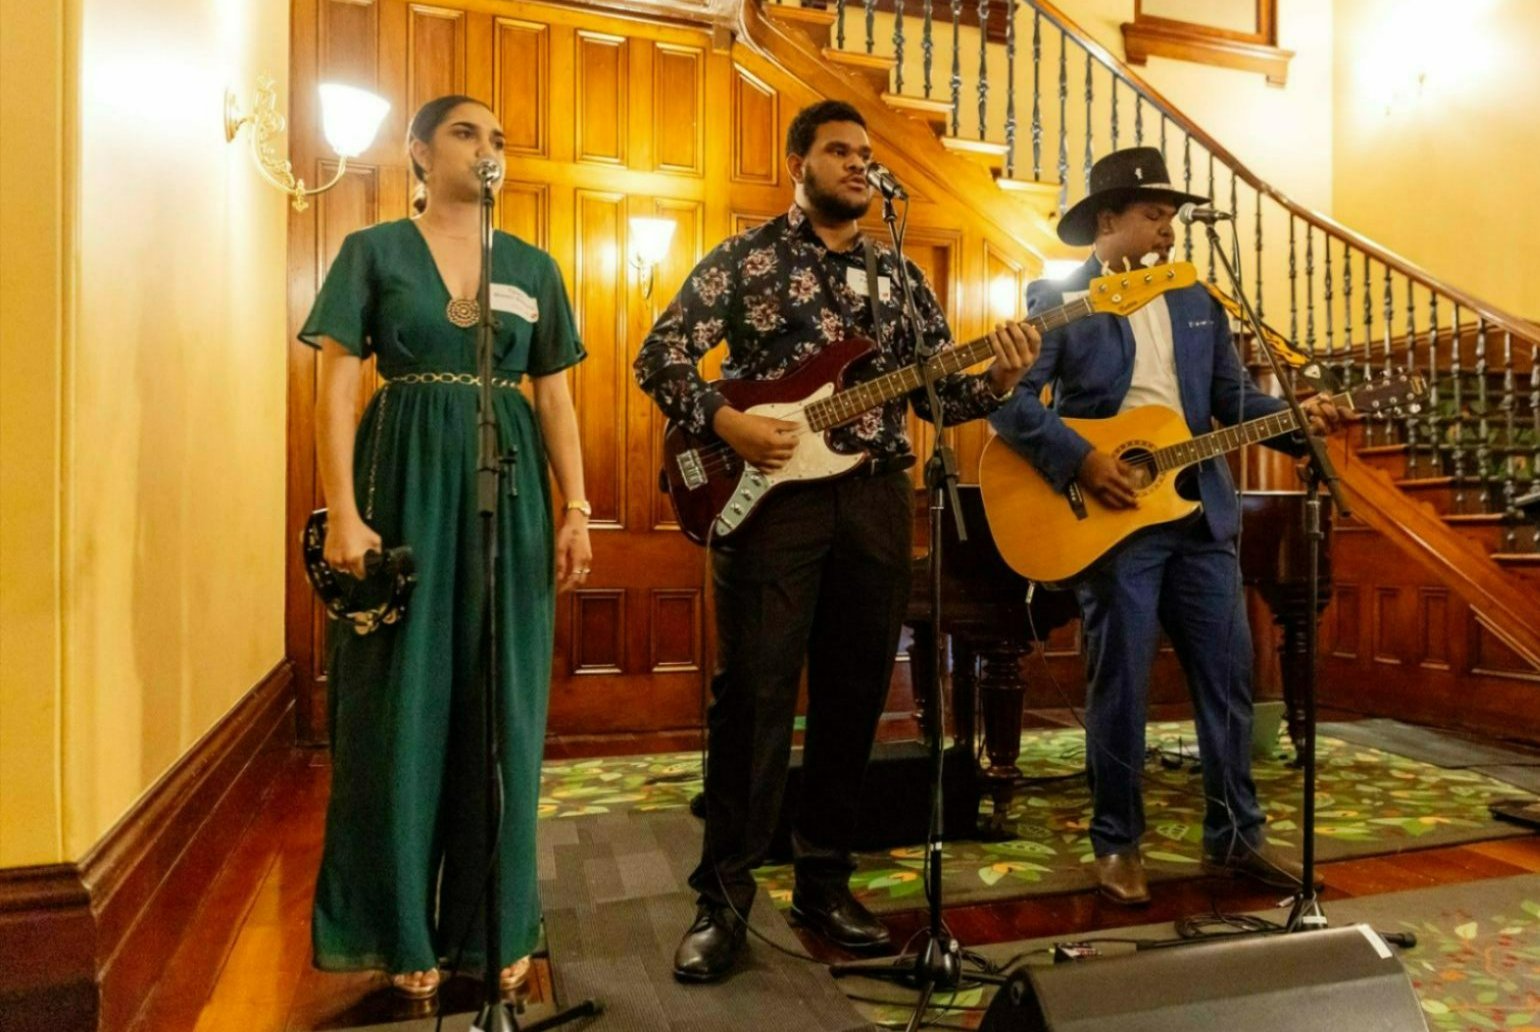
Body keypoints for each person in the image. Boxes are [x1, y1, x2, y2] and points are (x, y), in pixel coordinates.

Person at [634, 100, 1040, 982]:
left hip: (875, 503)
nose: (859, 165)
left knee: (856, 697)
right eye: (839, 151)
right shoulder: (745, 262)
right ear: (798, 163)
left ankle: (824, 883)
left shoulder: (901, 279)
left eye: (866, 154)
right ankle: (724, 901)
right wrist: (727, 421)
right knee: (754, 700)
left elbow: (939, 400)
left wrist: (1000, 382)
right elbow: (659, 356)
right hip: (771, 504)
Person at [989, 146, 1344, 905]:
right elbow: (1011, 404)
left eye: (1174, 217)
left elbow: (1234, 406)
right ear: (1108, 220)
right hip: (1113, 524)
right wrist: (1083, 462)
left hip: (1202, 520)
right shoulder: (1058, 300)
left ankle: (1238, 838)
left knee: (1229, 681)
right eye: (1154, 215)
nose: (1169, 230)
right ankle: (1117, 844)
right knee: (1120, 687)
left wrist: (1299, 422)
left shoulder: (1197, 302)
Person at [299, 94, 592, 999]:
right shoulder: (372, 252)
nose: (487, 148)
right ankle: (397, 931)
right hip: (404, 488)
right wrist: (341, 510)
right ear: (420, 152)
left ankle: (493, 921)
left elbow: (553, 398)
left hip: (513, 499)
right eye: (467, 132)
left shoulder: (535, 267)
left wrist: (577, 506)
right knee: (400, 709)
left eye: (499, 137)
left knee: (502, 709)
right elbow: (338, 387)